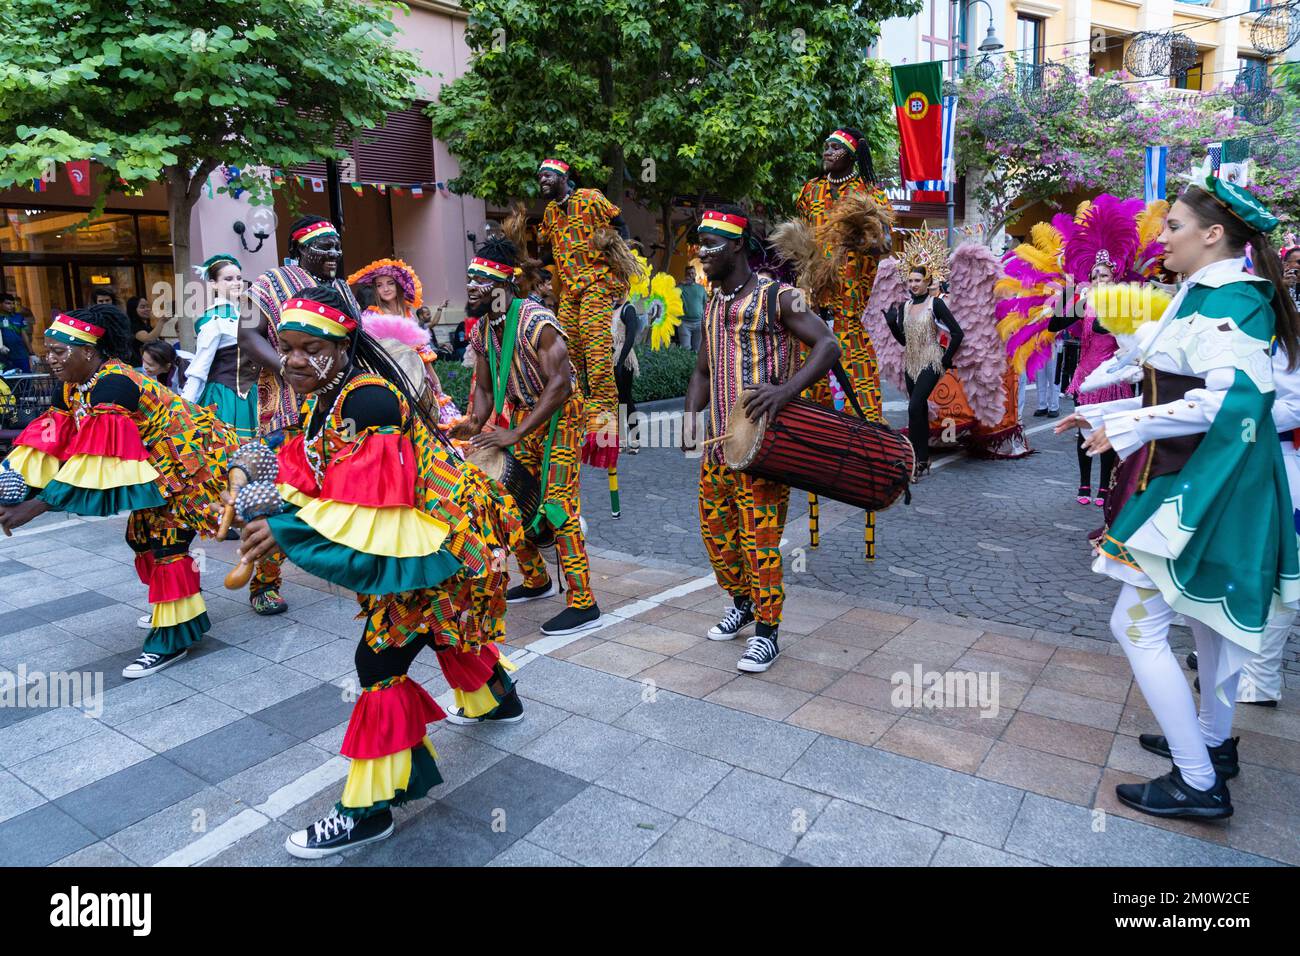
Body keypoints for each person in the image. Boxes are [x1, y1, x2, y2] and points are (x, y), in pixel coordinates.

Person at [235, 285, 524, 857]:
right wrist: (253, 473)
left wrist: (287, 531)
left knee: (378, 662)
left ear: (342, 345)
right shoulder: (330, 391)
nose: (292, 359)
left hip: (446, 547)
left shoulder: (368, 401)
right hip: (440, 542)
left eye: (308, 347)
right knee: (444, 633)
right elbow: (310, 461)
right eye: (285, 346)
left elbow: (371, 507)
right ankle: (501, 700)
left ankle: (369, 813)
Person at [1058, 178, 1300, 819]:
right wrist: (1097, 413)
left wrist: (1130, 426)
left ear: (1212, 234)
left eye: (1172, 226)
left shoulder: (1235, 299)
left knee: (1134, 625)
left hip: (1206, 481)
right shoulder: (1204, 293)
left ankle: (1198, 781)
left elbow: (1233, 400)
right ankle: (1213, 746)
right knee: (1203, 615)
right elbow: (1166, 377)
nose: (1160, 237)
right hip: (1201, 475)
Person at [0, 305, 237, 678]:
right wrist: (9, 485)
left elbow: (97, 460)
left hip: (189, 467)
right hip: (156, 471)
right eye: (48, 350)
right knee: (139, 538)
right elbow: (48, 441)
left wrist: (35, 506)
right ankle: (177, 609)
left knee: (165, 545)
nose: (51, 359)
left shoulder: (114, 385)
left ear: (89, 352)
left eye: (60, 352)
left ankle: (173, 639)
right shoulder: (73, 387)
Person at [683, 205, 842, 673]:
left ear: (736, 244)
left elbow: (828, 345)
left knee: (759, 540)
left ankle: (767, 632)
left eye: (711, 243)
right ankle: (742, 603)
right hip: (717, 444)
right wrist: (692, 419)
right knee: (717, 534)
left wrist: (786, 391)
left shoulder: (780, 297)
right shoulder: (713, 301)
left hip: (763, 446)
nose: (702, 252)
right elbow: (701, 371)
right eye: (699, 244)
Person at [453, 238, 605, 637]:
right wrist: (475, 421)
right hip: (522, 418)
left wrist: (516, 432)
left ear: (504, 282)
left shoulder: (536, 319)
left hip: (561, 417)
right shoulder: (483, 330)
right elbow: (485, 389)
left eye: (480, 279)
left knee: (557, 508)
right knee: (510, 500)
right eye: (469, 277)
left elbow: (560, 385)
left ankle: (583, 602)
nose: (470, 286)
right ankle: (538, 580)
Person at [238, 216, 361, 616]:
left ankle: (348, 558)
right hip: (288, 409)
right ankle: (264, 582)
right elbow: (248, 334)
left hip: (336, 402)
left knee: (342, 478)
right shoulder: (270, 283)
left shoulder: (341, 288)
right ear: (298, 249)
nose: (334, 254)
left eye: (337, 245)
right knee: (284, 490)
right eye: (324, 246)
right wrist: (287, 368)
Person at [536, 157, 633, 467]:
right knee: (568, 358)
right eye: (540, 176)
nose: (543, 180)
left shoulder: (590, 198)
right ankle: (576, 422)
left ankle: (604, 434)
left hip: (596, 285)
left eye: (548, 174)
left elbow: (621, 224)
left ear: (564, 176)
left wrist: (615, 249)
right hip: (569, 291)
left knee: (597, 356)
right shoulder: (550, 213)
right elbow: (547, 251)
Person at [348, 259, 460, 429]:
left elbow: (422, 353)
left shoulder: (408, 314)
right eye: (379, 285)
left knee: (435, 426)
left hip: (420, 380)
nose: (385, 289)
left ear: (398, 285)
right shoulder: (371, 316)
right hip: (391, 382)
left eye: (390, 283)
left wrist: (435, 381)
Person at [883, 264, 963, 481]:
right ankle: (923, 459)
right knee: (917, 411)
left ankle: (915, 460)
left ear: (927, 282)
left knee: (914, 406)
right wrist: (892, 325)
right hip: (911, 362)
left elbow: (957, 332)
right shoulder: (905, 306)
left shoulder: (934, 304)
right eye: (910, 281)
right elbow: (903, 341)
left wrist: (945, 360)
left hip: (931, 360)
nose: (913, 284)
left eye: (917, 280)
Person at [182, 254, 258, 443]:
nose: (236, 283)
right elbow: (199, 369)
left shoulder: (249, 313)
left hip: (253, 397)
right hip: (225, 398)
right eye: (228, 279)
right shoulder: (213, 320)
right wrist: (183, 409)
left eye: (239, 278)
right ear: (213, 284)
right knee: (225, 455)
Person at [614, 298, 641, 453]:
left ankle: (635, 440)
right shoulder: (611, 307)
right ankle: (622, 440)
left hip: (624, 358)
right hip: (611, 356)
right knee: (617, 400)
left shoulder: (628, 309)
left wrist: (621, 361)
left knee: (626, 398)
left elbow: (630, 337)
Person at [126, 295, 163, 368]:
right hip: (138, 367)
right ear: (133, 310)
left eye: (148, 306)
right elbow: (148, 339)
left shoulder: (146, 325)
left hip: (148, 365)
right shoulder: (133, 326)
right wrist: (161, 321)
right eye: (142, 307)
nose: (147, 309)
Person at [0, 293, 31, 373]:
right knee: (10, 382)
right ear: (0, 304)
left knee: (26, 379)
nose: (11, 306)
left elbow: (25, 336)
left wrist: (32, 353)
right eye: (8, 303)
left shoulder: (18, 317)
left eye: (13, 303)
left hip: (21, 354)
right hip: (4, 357)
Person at [677, 268, 706, 351]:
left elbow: (705, 304)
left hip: (699, 323)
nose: (690, 275)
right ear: (685, 275)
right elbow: (673, 294)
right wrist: (680, 284)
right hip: (684, 323)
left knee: (696, 350)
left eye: (692, 273)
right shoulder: (681, 287)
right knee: (685, 350)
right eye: (688, 273)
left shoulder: (701, 288)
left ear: (695, 275)